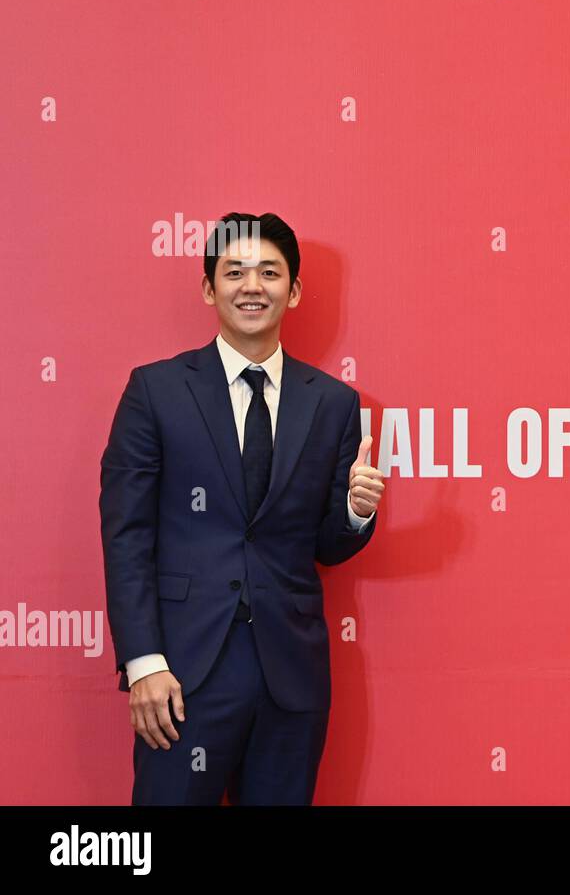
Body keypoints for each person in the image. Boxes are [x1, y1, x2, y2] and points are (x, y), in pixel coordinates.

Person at [100, 212, 385, 804]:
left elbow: (327, 544)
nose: (252, 286)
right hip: (182, 673)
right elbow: (126, 534)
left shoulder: (333, 403)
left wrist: (356, 512)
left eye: (269, 273)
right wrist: (144, 662)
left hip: (291, 676)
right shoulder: (155, 391)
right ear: (210, 288)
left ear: (295, 290)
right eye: (235, 272)